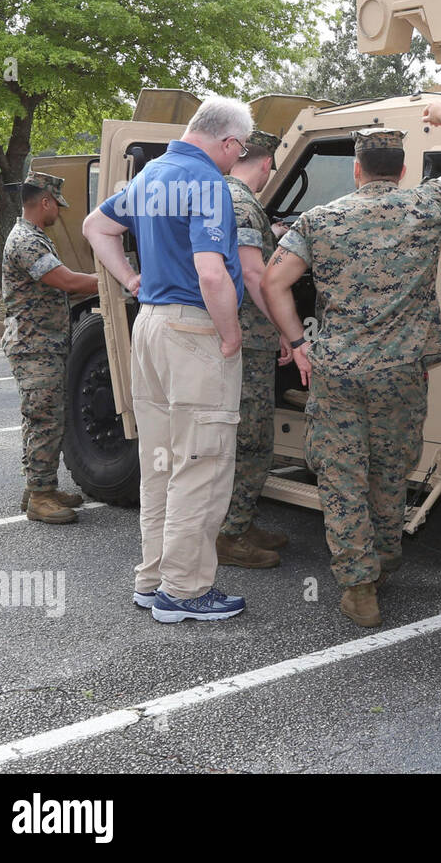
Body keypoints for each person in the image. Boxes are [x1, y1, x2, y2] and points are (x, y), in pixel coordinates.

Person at [262, 108, 441, 628]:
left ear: (357, 169)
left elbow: (274, 283)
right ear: (402, 170)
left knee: (341, 479)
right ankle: (384, 561)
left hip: (336, 371)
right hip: (401, 372)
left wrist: (298, 343)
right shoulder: (427, 204)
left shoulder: (320, 220)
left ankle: (358, 586)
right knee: (388, 471)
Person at [83, 96, 251, 623]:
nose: (237, 158)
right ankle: (183, 592)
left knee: (160, 461)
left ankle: (153, 578)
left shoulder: (151, 174)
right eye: (240, 149)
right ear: (227, 142)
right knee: (202, 462)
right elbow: (211, 272)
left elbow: (95, 227)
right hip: (194, 329)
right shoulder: (209, 185)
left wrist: (132, 280)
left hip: (151, 326)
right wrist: (230, 336)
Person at [0, 172, 99, 524]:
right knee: (44, 418)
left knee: (42, 417)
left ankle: (40, 487)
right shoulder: (26, 240)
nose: (59, 210)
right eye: (57, 203)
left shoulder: (35, 237)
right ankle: (40, 496)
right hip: (34, 346)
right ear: (45, 202)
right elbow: (66, 281)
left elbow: (64, 284)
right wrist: (116, 278)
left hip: (42, 343)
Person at [217, 129, 292, 569]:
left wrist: (275, 230)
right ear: (265, 165)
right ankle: (231, 535)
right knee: (252, 439)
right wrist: (285, 327)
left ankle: (240, 522)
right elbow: (251, 273)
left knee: (234, 434)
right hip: (249, 339)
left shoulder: (223, 196)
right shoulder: (244, 203)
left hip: (231, 337)